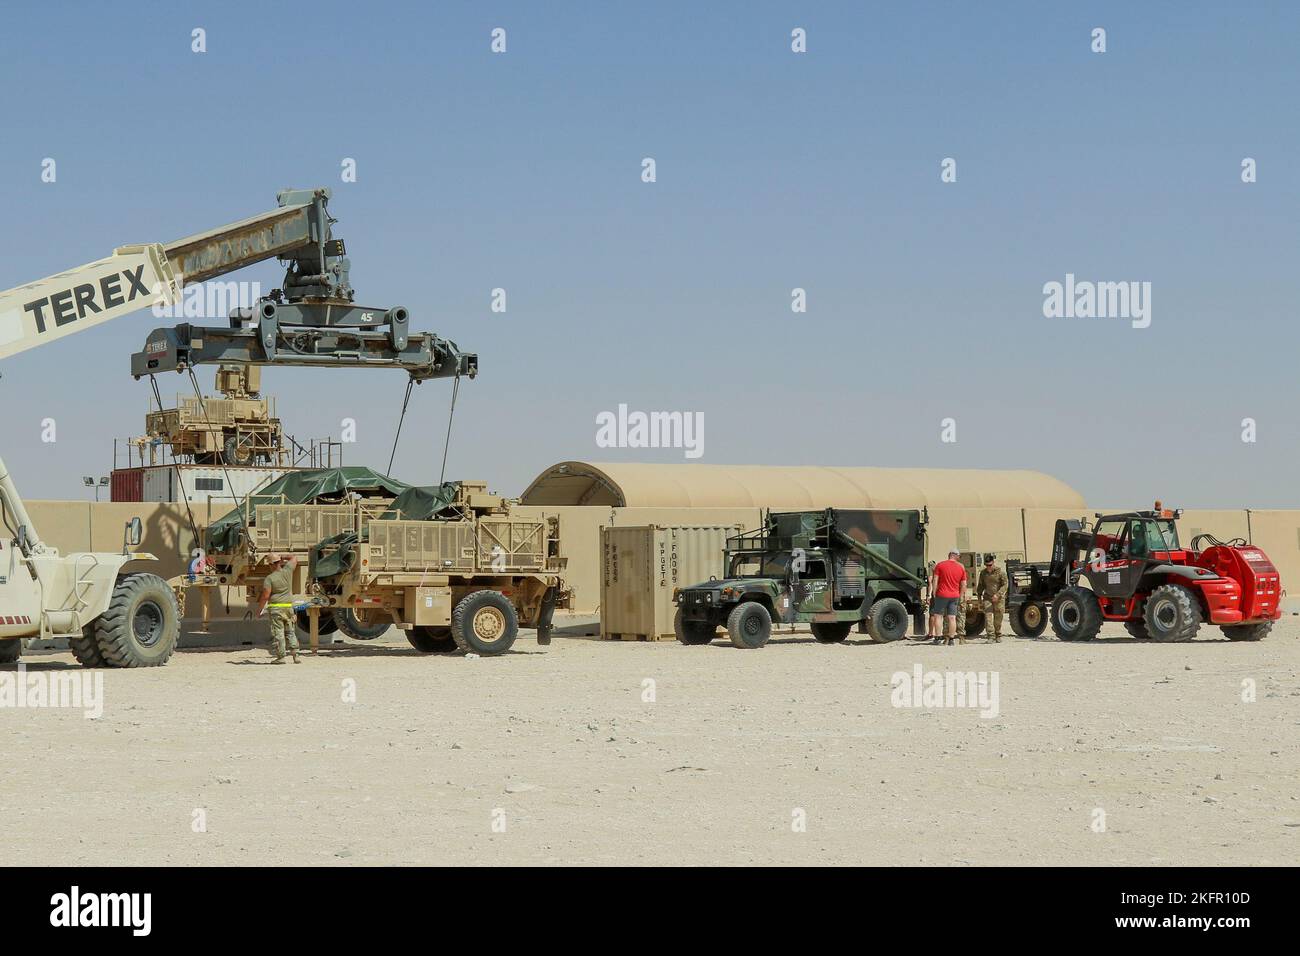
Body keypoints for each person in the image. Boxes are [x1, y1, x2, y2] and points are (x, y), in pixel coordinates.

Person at [256, 555, 300, 664]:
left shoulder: (269, 578)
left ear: (270, 564)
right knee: (291, 632)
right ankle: (296, 656)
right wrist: (283, 556)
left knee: (278, 633)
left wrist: (259, 610)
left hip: (276, 609)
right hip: (288, 608)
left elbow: (265, 596)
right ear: (279, 562)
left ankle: (281, 657)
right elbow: (294, 558)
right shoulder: (288, 571)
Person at [930, 549, 967, 645]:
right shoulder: (961, 567)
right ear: (955, 555)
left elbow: (935, 580)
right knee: (952, 617)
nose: (959, 558)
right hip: (954, 595)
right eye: (959, 556)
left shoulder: (940, 565)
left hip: (942, 594)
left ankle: (937, 638)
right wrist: (960, 595)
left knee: (938, 616)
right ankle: (951, 639)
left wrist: (934, 593)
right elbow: (964, 584)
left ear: (949, 555)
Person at [976, 553, 1008, 642]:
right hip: (987, 597)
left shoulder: (1001, 572)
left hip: (999, 598)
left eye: (990, 565)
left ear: (993, 563)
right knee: (988, 616)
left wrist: (998, 595)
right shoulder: (983, 573)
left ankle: (998, 634)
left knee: (998, 617)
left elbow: (1005, 585)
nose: (988, 567)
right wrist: (979, 598)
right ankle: (991, 636)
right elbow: (981, 585)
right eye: (986, 565)